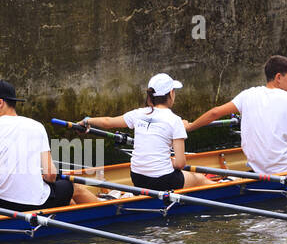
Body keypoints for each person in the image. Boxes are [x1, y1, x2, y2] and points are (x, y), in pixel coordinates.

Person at [0, 80, 100, 212]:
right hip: (35, 204)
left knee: (59, 192)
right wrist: (45, 177)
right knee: (73, 187)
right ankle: (103, 213)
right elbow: (50, 175)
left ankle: (70, 210)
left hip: (2, 204)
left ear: (0, 103)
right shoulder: (37, 126)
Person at [74, 73, 214, 191]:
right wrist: (167, 161)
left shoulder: (138, 114)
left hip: (137, 178)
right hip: (163, 181)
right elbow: (180, 164)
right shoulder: (175, 120)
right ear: (171, 94)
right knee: (199, 179)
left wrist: (87, 120)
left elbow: (107, 122)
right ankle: (229, 190)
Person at [185, 55, 287, 174]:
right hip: (283, 165)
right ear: (278, 77)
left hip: (258, 166)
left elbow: (214, 113)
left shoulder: (247, 94)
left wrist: (189, 127)